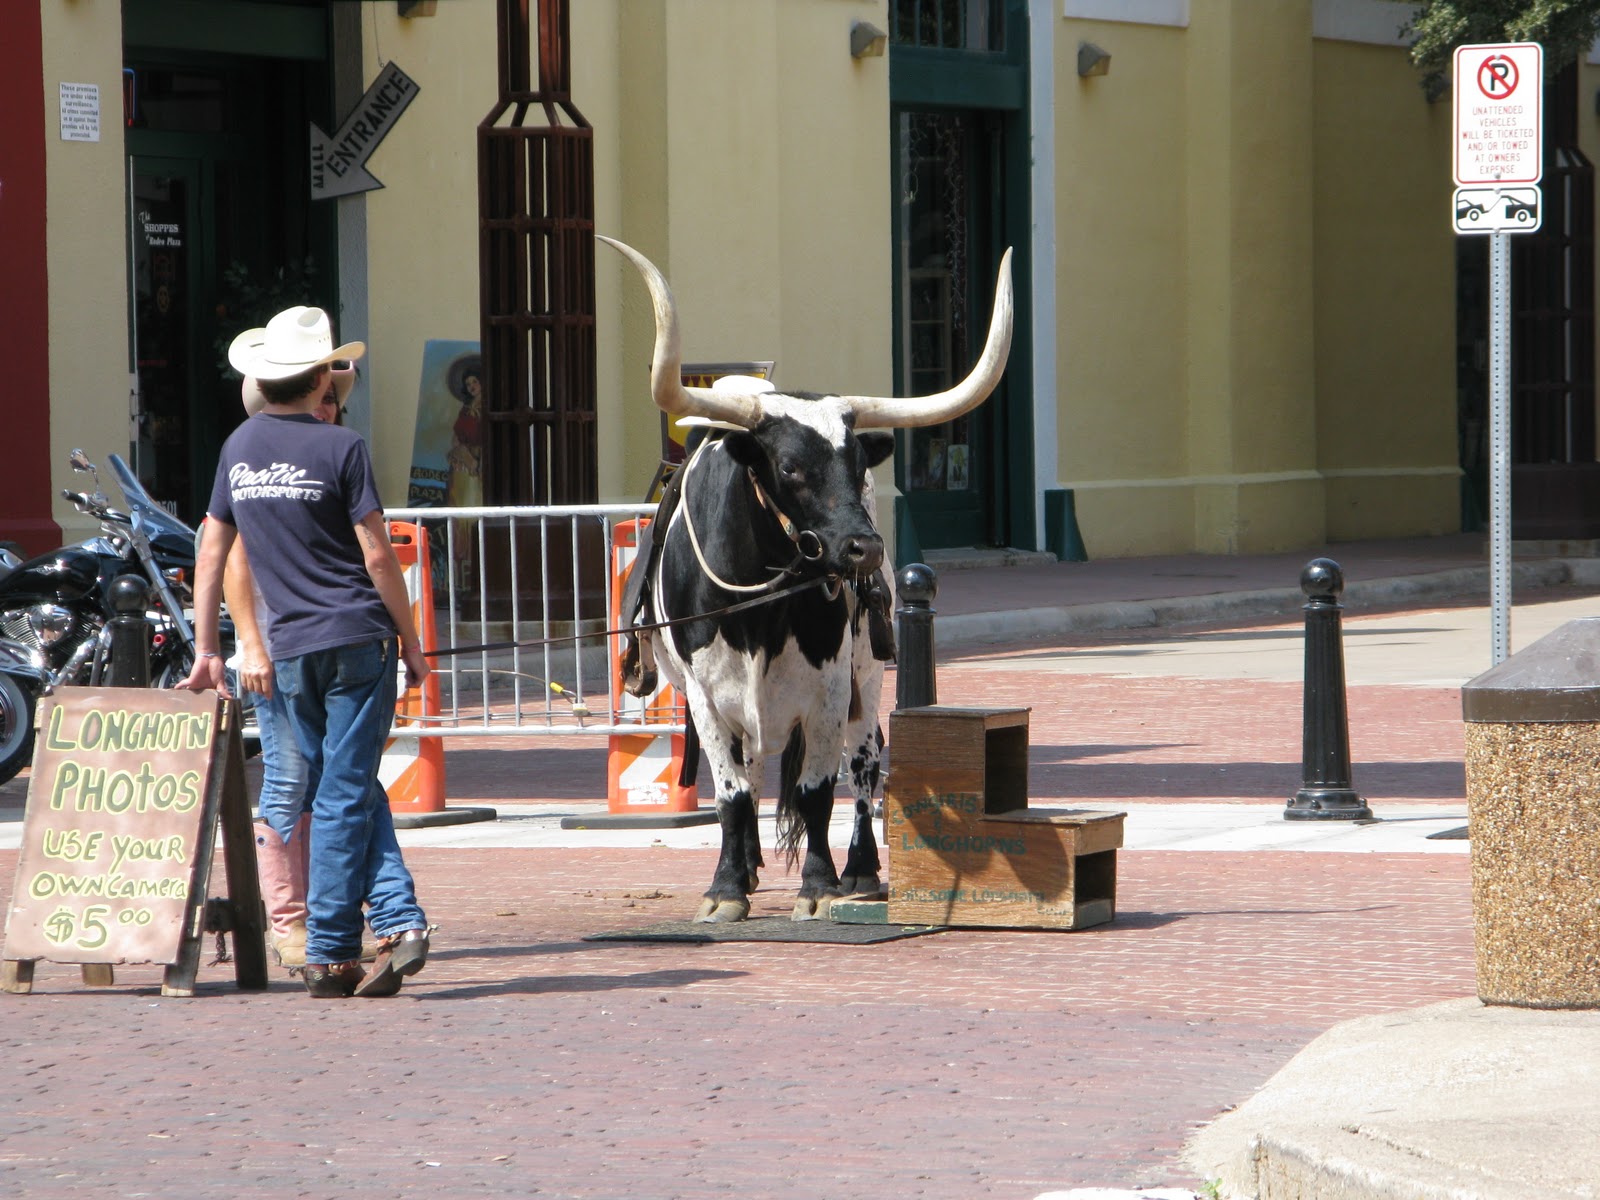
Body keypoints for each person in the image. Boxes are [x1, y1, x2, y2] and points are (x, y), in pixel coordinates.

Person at [181, 305, 431, 999]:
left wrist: (210, 649)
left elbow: (211, 552)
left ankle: (396, 923)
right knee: (347, 789)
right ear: (322, 377)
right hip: (357, 637)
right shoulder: (340, 447)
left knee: (337, 788)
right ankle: (332, 949)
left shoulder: (238, 448)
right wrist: (411, 640)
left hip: (290, 647)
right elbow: (378, 555)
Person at [229, 363, 359, 969]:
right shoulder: (251, 462)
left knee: (333, 781)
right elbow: (230, 562)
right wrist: (245, 645)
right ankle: (288, 920)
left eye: (335, 400)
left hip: (324, 641)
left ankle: (328, 909)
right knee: (288, 778)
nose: (328, 408)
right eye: (322, 396)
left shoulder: (332, 456)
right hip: (277, 649)